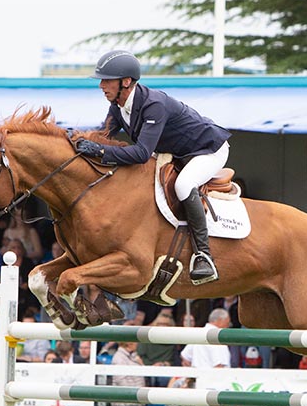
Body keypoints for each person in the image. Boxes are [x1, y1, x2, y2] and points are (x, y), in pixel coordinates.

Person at [75, 49, 231, 284]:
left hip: (208, 150)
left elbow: (140, 153)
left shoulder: (154, 105)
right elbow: (102, 136)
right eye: (101, 80)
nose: (101, 85)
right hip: (177, 153)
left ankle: (203, 256)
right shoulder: (118, 106)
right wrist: (73, 140)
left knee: (184, 185)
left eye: (106, 80)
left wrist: (99, 151)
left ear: (126, 82)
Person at [110, 339, 145, 406]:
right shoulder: (119, 357)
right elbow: (120, 379)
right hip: (125, 399)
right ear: (129, 343)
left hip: (136, 399)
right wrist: (131, 393)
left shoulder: (134, 357)